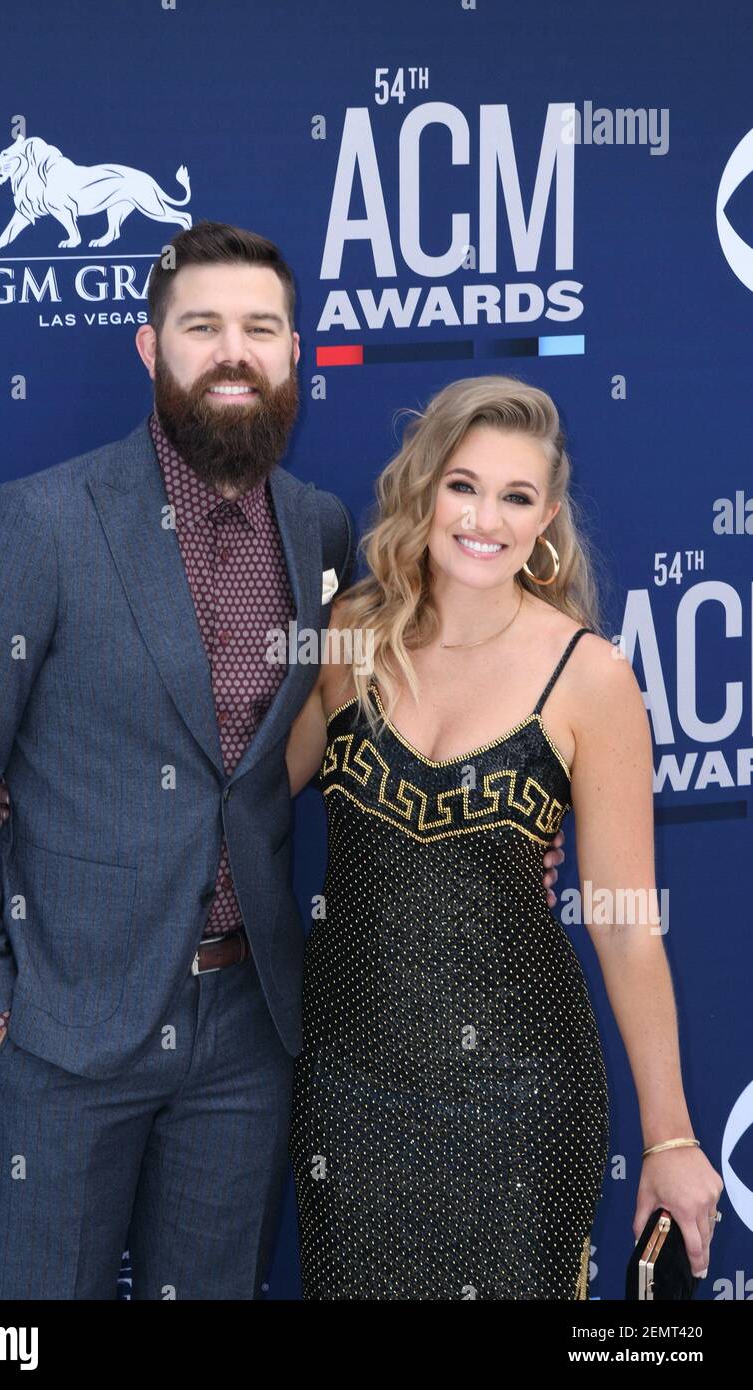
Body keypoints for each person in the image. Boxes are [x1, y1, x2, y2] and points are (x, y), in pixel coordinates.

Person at [0, 222, 565, 1300]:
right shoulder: (40, 523)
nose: (231, 351)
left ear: (294, 350)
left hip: (251, 1027)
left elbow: (390, 725)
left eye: (259, 328)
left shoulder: (321, 532)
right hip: (68, 1029)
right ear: (148, 347)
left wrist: (509, 833)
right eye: (201, 325)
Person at [284, 375, 723, 1299]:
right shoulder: (350, 635)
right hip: (349, 1086)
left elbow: (625, 923)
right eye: (463, 485)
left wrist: (671, 1137)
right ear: (424, 490)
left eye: (516, 496)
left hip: (523, 1097)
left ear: (547, 519)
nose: (485, 517)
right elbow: (245, 796)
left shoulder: (590, 676)